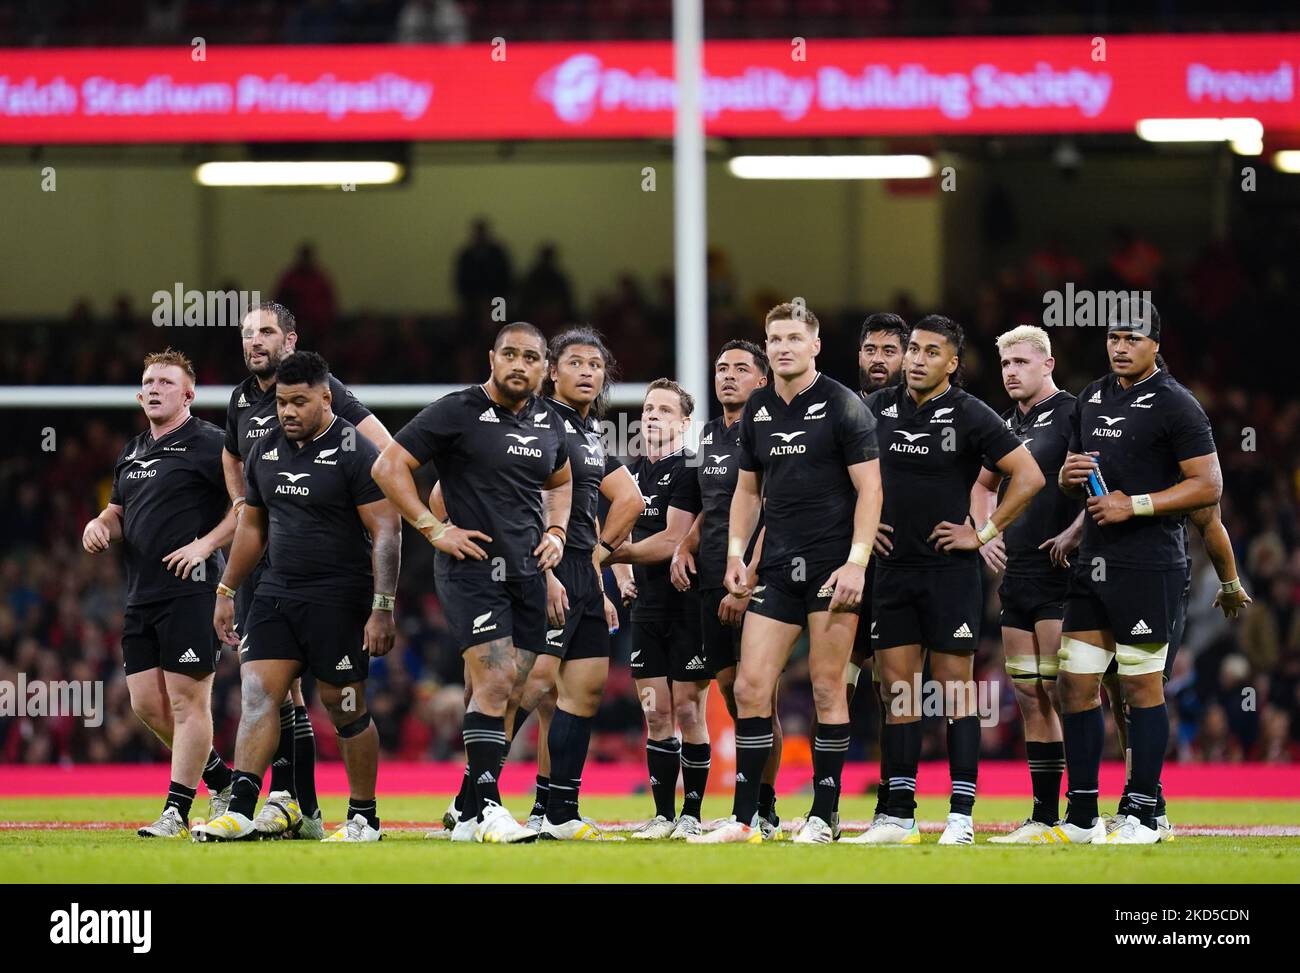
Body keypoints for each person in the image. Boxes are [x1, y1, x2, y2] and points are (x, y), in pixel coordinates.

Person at [372, 322, 572, 843]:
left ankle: (465, 808)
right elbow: (388, 466)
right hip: (472, 569)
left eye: (531, 357)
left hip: (528, 574)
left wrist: (555, 531)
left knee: (514, 693)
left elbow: (562, 480)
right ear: (492, 357)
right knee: (496, 682)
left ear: (543, 368)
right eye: (510, 354)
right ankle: (487, 808)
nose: (519, 365)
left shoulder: (549, 421)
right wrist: (433, 529)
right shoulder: (456, 410)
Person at [692, 301, 883, 844]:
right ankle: (747, 820)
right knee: (751, 688)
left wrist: (857, 562)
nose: (782, 347)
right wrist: (734, 554)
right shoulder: (757, 410)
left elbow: (871, 489)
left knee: (828, 689)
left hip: (831, 570)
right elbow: (748, 491)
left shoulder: (844, 406)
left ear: (814, 345)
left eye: (793, 338)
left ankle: (824, 817)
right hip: (776, 570)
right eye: (774, 338)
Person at [194, 352, 401, 843]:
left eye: (299, 402)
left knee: (344, 704)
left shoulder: (356, 452)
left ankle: (363, 817)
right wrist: (226, 589)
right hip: (276, 593)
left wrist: (382, 607)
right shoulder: (264, 449)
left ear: (327, 398)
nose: (287, 411)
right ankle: (242, 810)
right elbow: (254, 528)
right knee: (258, 694)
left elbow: (388, 529)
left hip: (339, 596)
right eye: (282, 402)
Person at [856, 315, 1043, 845]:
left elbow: (1029, 476)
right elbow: (839, 470)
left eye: (930, 352)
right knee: (898, 693)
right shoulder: (874, 409)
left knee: (956, 693)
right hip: (892, 571)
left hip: (949, 574)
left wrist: (982, 534)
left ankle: (960, 815)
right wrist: (863, 533)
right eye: (912, 349)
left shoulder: (972, 414)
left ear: (952, 363)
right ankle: (899, 816)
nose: (916, 359)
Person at [1052, 299, 1222, 844]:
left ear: (1156, 344)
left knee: (1139, 687)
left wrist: (1137, 504)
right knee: (1074, 683)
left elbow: (1208, 485)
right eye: (1113, 338)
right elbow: (1080, 479)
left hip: (1151, 564)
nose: (1120, 347)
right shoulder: (1091, 398)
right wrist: (1067, 477)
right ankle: (1082, 816)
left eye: (1132, 339)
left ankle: (1146, 812)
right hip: (1094, 563)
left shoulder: (1179, 405)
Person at [82, 350, 237, 838]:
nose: (154, 388)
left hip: (191, 591)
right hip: (141, 593)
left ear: (188, 394)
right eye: (148, 381)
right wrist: (100, 523)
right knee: (147, 705)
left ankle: (176, 810)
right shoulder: (131, 451)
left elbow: (246, 508)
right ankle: (221, 780)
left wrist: (205, 545)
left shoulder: (212, 443)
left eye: (166, 382)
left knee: (189, 701)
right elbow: (118, 512)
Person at [516, 328, 642, 838]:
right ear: (552, 371)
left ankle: (559, 811)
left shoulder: (590, 435)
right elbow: (443, 493)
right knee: (528, 687)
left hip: (582, 575)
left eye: (596, 364)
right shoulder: (534, 420)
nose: (588, 371)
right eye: (575, 362)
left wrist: (597, 558)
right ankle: (472, 798)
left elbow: (630, 500)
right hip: (540, 567)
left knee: (582, 692)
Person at [970, 326, 1082, 843]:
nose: (1011, 372)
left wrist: (1076, 530)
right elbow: (982, 484)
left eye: (1020, 362)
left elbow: (1105, 480)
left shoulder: (1075, 414)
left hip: (1064, 573)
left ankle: (1091, 809)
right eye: (1005, 364)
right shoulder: (1006, 424)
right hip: (1018, 575)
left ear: (1048, 363)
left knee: (1070, 691)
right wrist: (983, 532)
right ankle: (1044, 815)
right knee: (1030, 694)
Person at [671, 340, 780, 836]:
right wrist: (684, 546)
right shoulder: (708, 436)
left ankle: (763, 807)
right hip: (710, 583)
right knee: (734, 694)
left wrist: (746, 582)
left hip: (755, 583)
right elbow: (707, 508)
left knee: (757, 695)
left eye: (740, 368)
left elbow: (774, 512)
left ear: (762, 379)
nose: (727, 376)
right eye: (720, 369)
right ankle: (754, 802)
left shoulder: (772, 432)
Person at [606, 379, 705, 838]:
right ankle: (664, 815)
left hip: (687, 605)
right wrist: (623, 577)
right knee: (656, 713)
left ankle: (692, 816)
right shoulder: (628, 476)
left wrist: (607, 557)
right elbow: (616, 535)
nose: (652, 416)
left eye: (665, 410)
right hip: (646, 608)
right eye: (648, 408)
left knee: (688, 711)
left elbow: (672, 541)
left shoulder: (690, 468)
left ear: (684, 423)